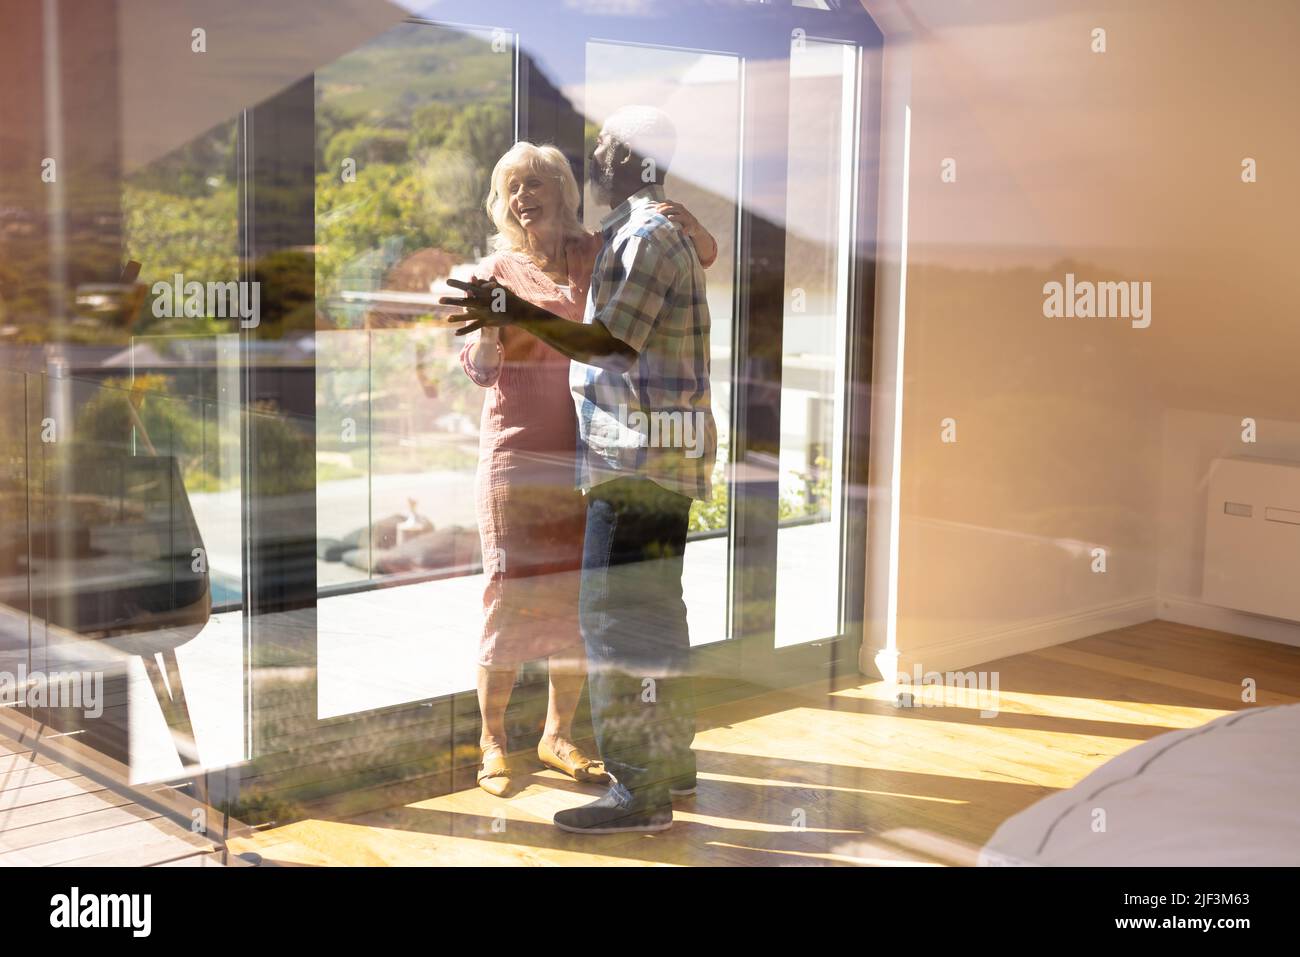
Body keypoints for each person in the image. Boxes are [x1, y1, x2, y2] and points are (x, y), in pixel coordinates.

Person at [443, 106, 718, 833]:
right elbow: (476, 361)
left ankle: (640, 792)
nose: (596, 154)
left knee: (611, 619)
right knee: (652, 614)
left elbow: (609, 346)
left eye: (605, 147)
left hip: (629, 459)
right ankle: (667, 768)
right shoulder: (641, 230)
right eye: (513, 191)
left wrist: (520, 315)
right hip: (611, 458)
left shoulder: (636, 236)